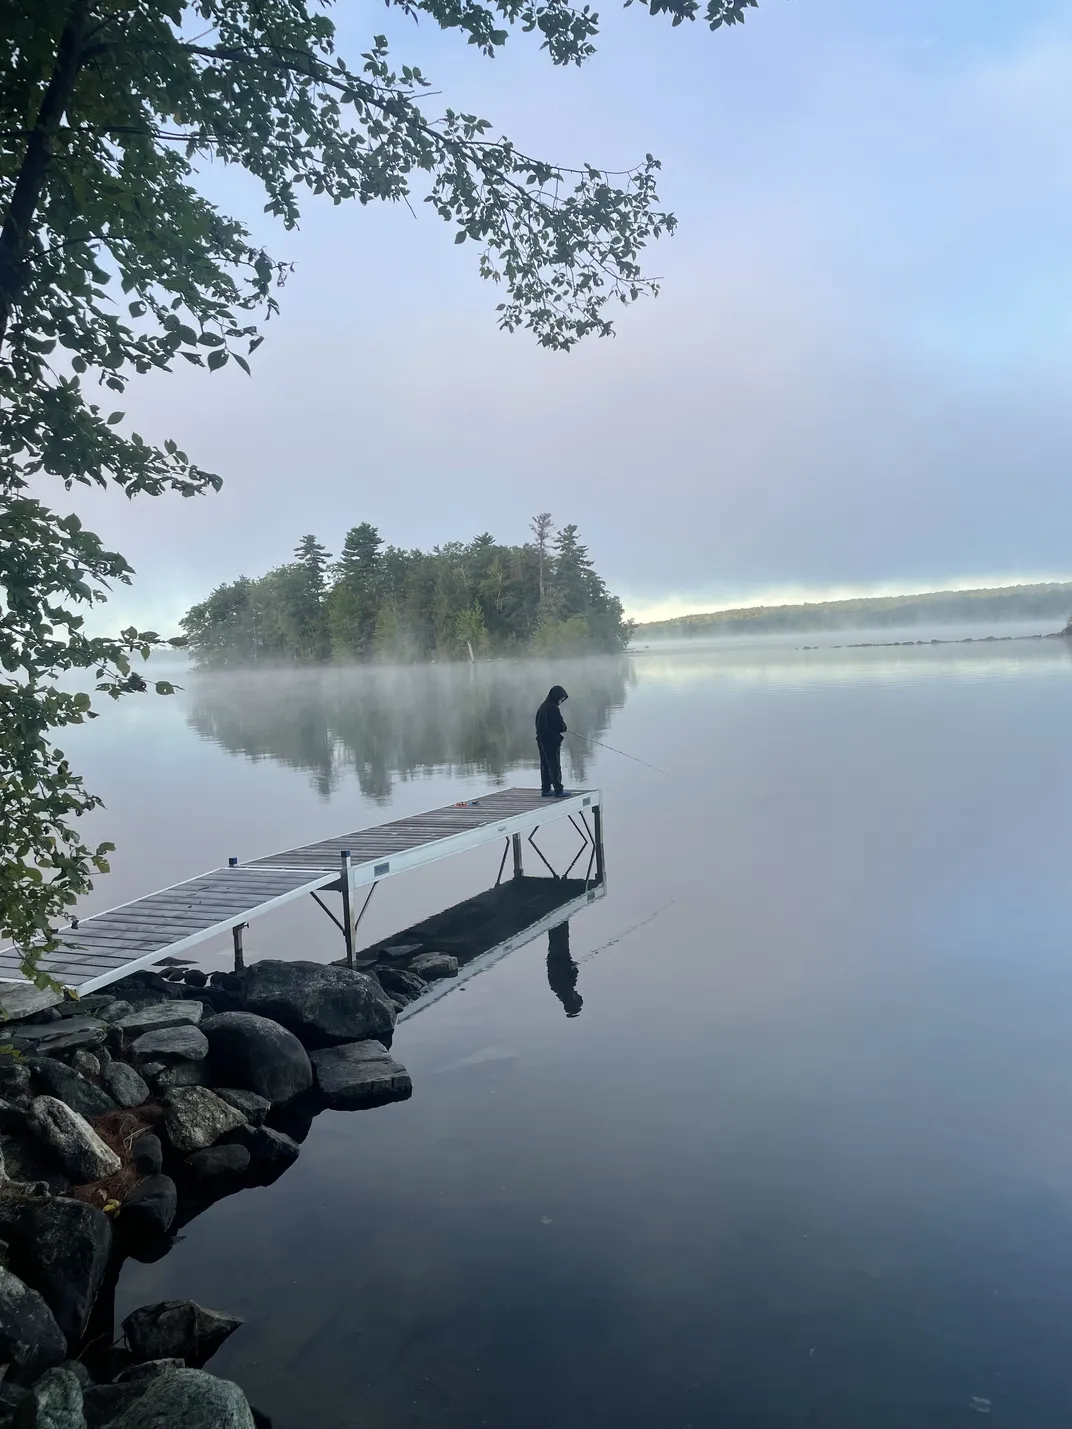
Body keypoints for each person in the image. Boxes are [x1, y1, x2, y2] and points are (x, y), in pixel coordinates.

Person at [535, 684, 569, 797]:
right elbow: (559, 724)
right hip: (551, 741)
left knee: (545, 765)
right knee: (555, 765)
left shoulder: (543, 707)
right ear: (556, 696)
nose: (561, 701)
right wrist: (564, 727)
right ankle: (558, 789)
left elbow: (538, 724)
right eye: (561, 698)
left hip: (541, 740)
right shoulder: (553, 708)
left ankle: (546, 788)